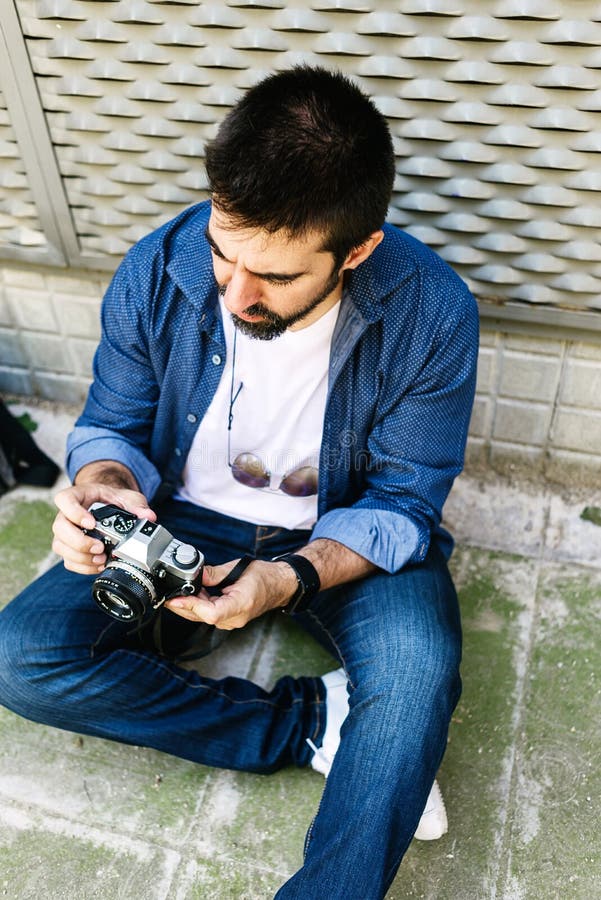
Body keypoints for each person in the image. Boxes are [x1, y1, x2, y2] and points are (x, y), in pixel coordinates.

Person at [0, 66, 478, 898]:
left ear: (356, 249)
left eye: (277, 277)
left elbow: (404, 502)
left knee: (416, 679)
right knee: (21, 658)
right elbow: (111, 425)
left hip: (341, 533)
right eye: (225, 253)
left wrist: (287, 578)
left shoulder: (433, 313)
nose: (235, 292)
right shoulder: (161, 263)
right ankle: (309, 726)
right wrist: (105, 490)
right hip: (181, 518)